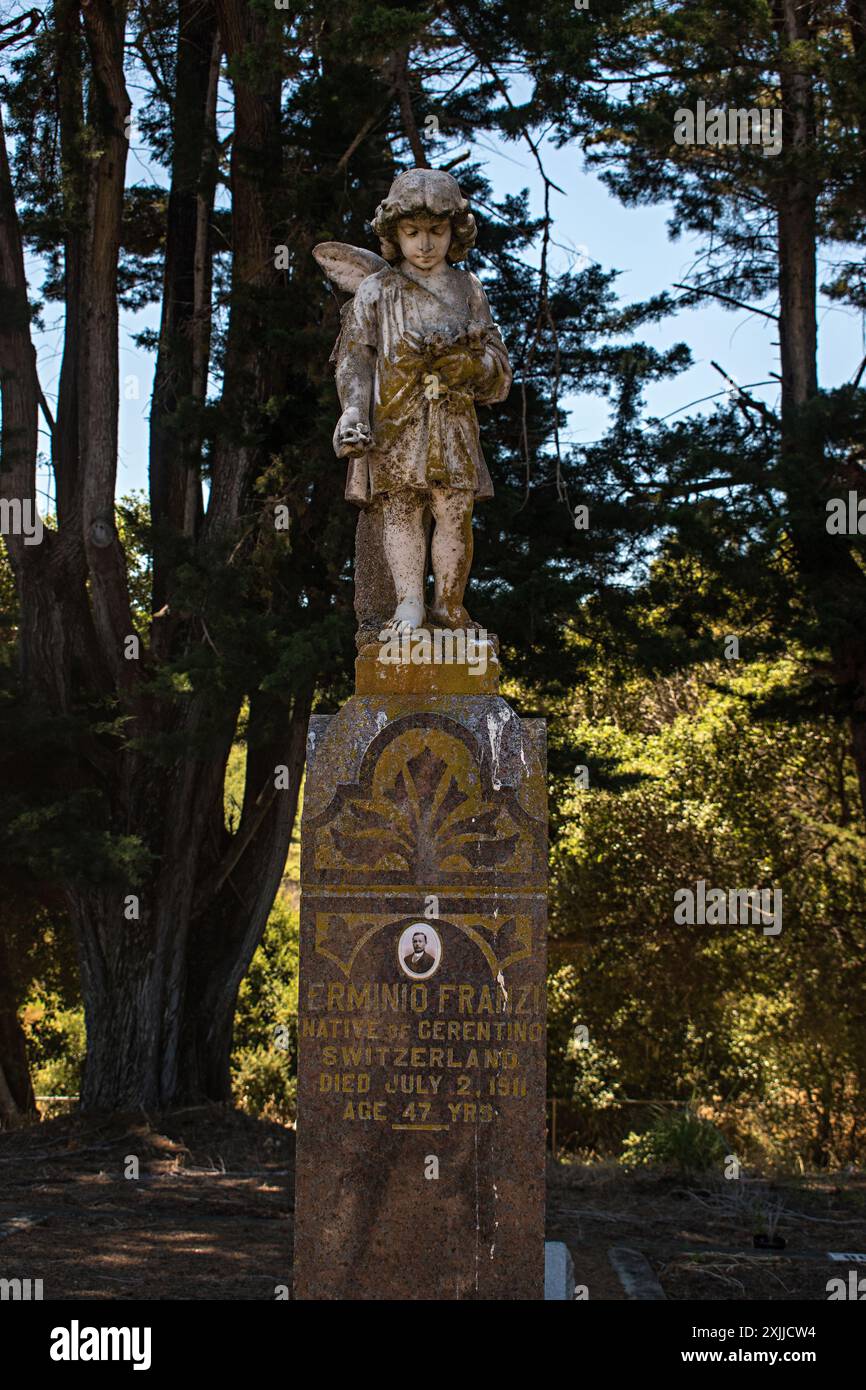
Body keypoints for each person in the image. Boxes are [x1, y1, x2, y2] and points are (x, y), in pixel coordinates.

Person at [332, 168, 512, 634]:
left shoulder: (469, 289)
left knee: (454, 510)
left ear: (456, 231)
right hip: (395, 417)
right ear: (395, 233)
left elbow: (497, 365)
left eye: (437, 231)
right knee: (402, 509)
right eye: (413, 233)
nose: (425, 245)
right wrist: (352, 409)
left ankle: (448, 604)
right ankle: (409, 602)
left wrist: (469, 368)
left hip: (451, 417)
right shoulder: (377, 290)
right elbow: (355, 359)